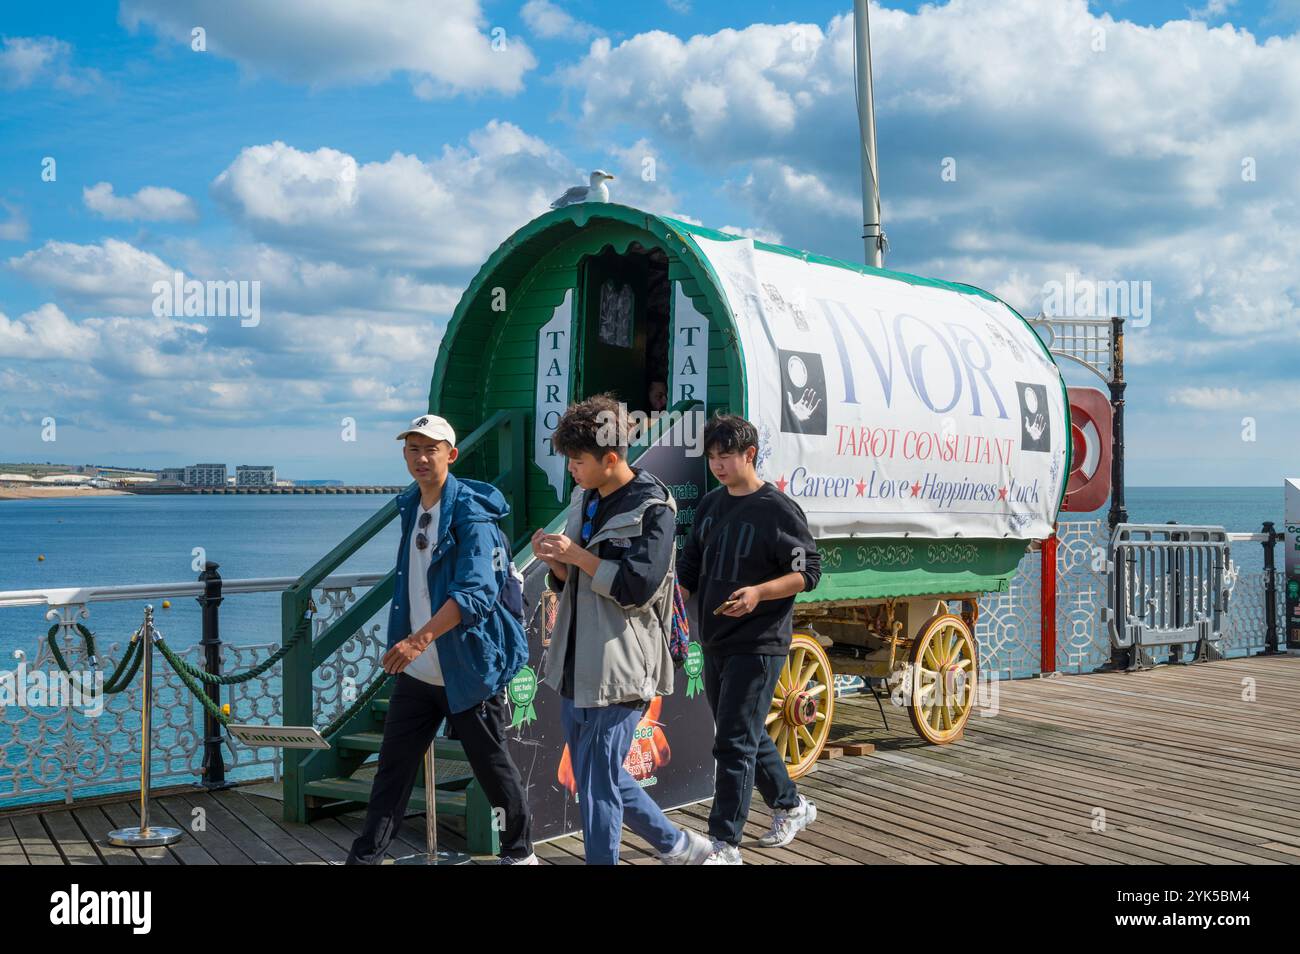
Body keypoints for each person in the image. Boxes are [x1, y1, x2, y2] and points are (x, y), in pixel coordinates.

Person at [346, 413, 536, 865]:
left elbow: (475, 594)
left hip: (465, 665)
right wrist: (412, 647)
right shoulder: (411, 506)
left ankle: (520, 853)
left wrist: (419, 639)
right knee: (392, 770)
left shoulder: (473, 516)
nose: (421, 457)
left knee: (493, 769)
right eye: (413, 448)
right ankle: (366, 858)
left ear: (451, 455)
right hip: (419, 673)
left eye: (431, 448)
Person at [533, 393, 712, 865]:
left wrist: (578, 557)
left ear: (610, 459)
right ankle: (677, 845)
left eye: (577, 461)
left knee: (596, 788)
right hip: (575, 662)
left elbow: (638, 587)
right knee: (602, 775)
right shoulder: (584, 498)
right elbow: (572, 583)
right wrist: (556, 563)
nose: (571, 470)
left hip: (623, 667)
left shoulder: (655, 508)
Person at [676, 412, 822, 864]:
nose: (718, 465)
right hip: (715, 637)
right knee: (744, 733)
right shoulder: (710, 505)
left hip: (759, 643)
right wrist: (675, 613)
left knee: (732, 742)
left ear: (750, 455)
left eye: (727, 457)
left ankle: (725, 844)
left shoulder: (778, 509)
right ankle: (792, 805)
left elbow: (809, 572)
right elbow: (689, 569)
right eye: (712, 458)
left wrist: (759, 592)